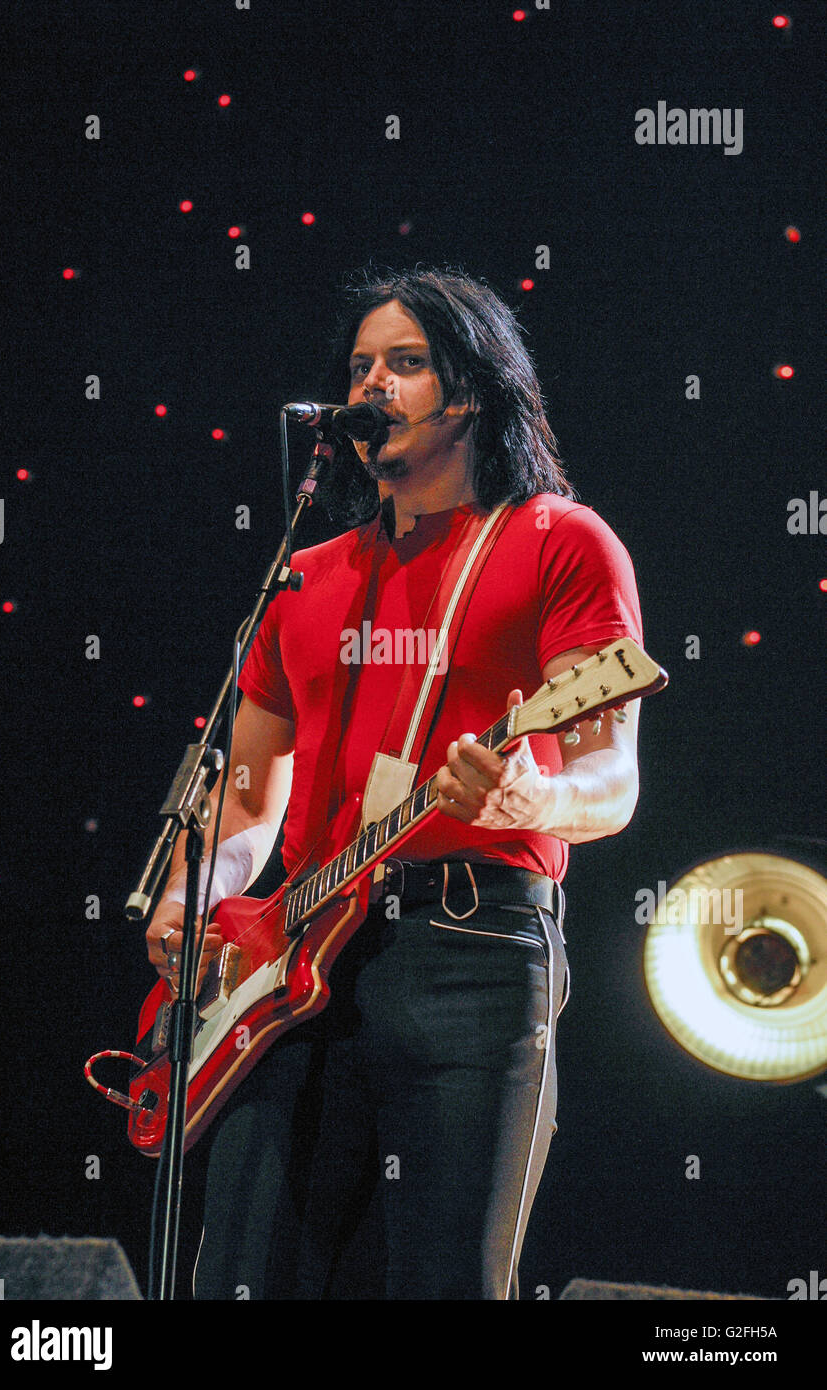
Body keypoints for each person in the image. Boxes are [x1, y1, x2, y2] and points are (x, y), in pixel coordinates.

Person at [145, 266, 644, 1300]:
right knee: (241, 1278)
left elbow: (609, 776)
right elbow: (245, 796)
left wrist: (528, 799)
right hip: (292, 964)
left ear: (472, 389)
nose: (371, 383)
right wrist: (198, 891)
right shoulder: (307, 574)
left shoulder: (558, 541)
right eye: (360, 366)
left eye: (405, 363)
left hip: (468, 946)